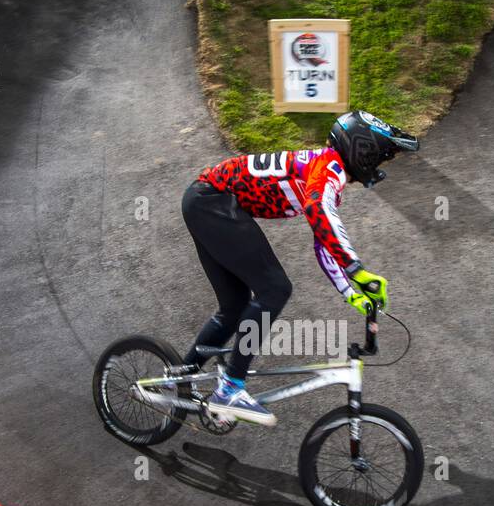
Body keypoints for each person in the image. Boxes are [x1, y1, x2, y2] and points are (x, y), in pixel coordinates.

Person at [177, 109, 418, 426]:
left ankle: (181, 377)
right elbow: (317, 210)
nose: (379, 165)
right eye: (380, 157)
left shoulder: (325, 169)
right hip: (213, 201)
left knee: (234, 306)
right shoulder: (328, 169)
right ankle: (229, 389)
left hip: (205, 201)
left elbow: (323, 240)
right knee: (275, 289)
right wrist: (357, 271)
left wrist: (349, 291)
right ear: (363, 150)